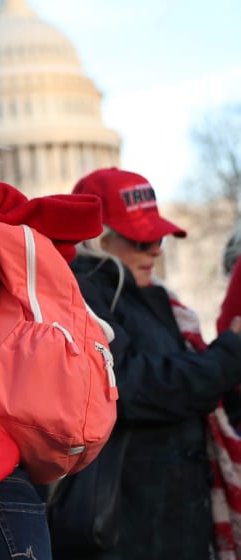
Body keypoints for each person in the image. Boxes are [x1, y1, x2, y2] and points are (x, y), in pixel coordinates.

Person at [66, 167, 241, 559]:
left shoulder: (152, 295)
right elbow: (126, 385)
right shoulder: (81, 295)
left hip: (172, 519)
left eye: (157, 238)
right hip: (129, 528)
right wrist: (229, 355)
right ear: (98, 239)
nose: (156, 251)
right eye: (141, 240)